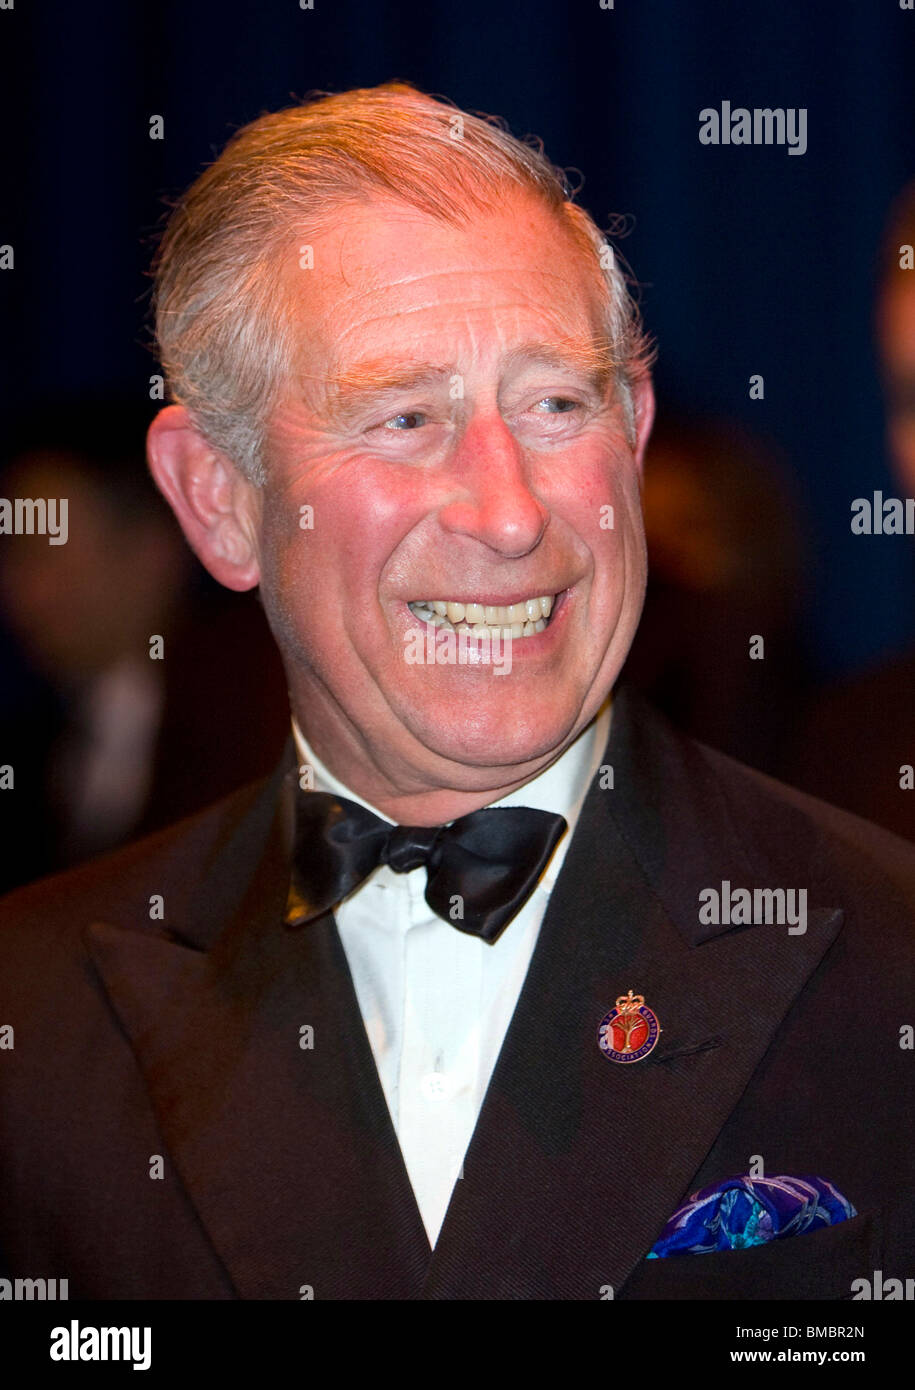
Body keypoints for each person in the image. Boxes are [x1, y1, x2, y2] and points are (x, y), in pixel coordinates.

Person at [1, 83, 914, 1301]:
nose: (509, 509)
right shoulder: (33, 1024)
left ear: (633, 434)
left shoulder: (885, 954)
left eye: (554, 404)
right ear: (221, 498)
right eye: (407, 415)